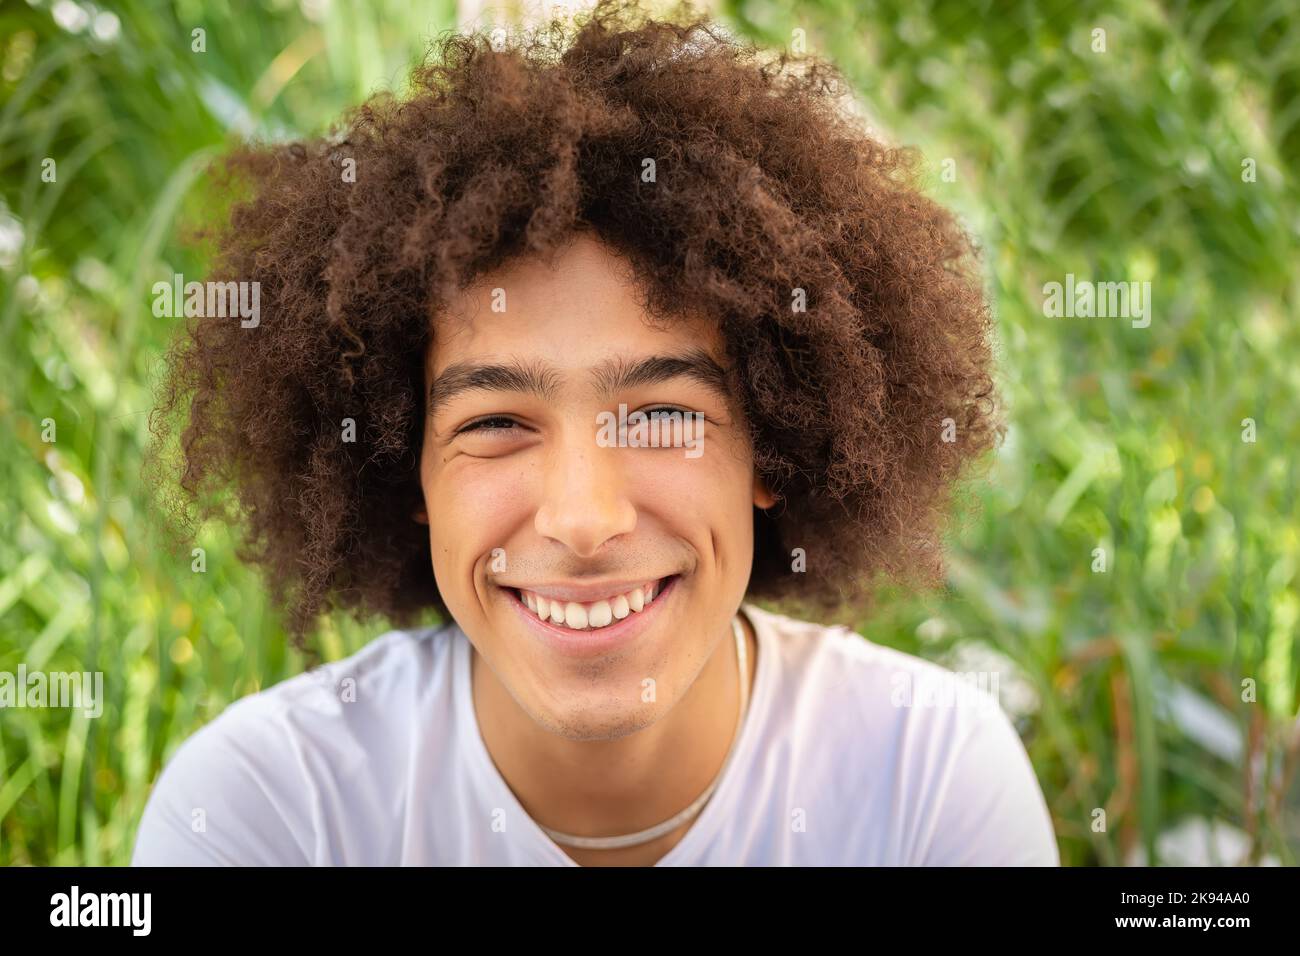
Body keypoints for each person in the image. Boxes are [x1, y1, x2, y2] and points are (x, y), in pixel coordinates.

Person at [134, 0, 1057, 866]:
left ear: (771, 450)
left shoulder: (928, 785)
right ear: (407, 475)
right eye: (494, 423)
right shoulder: (271, 815)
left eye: (661, 416)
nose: (583, 519)